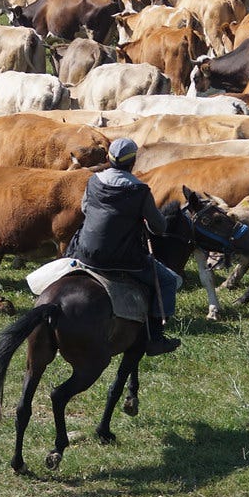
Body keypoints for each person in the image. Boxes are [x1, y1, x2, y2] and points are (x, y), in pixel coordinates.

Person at [64, 137, 181, 355]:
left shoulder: (94, 181)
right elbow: (158, 226)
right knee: (168, 281)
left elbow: (85, 208)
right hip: (122, 258)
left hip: (84, 251)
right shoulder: (140, 190)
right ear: (132, 162)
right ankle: (155, 337)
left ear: (108, 158)